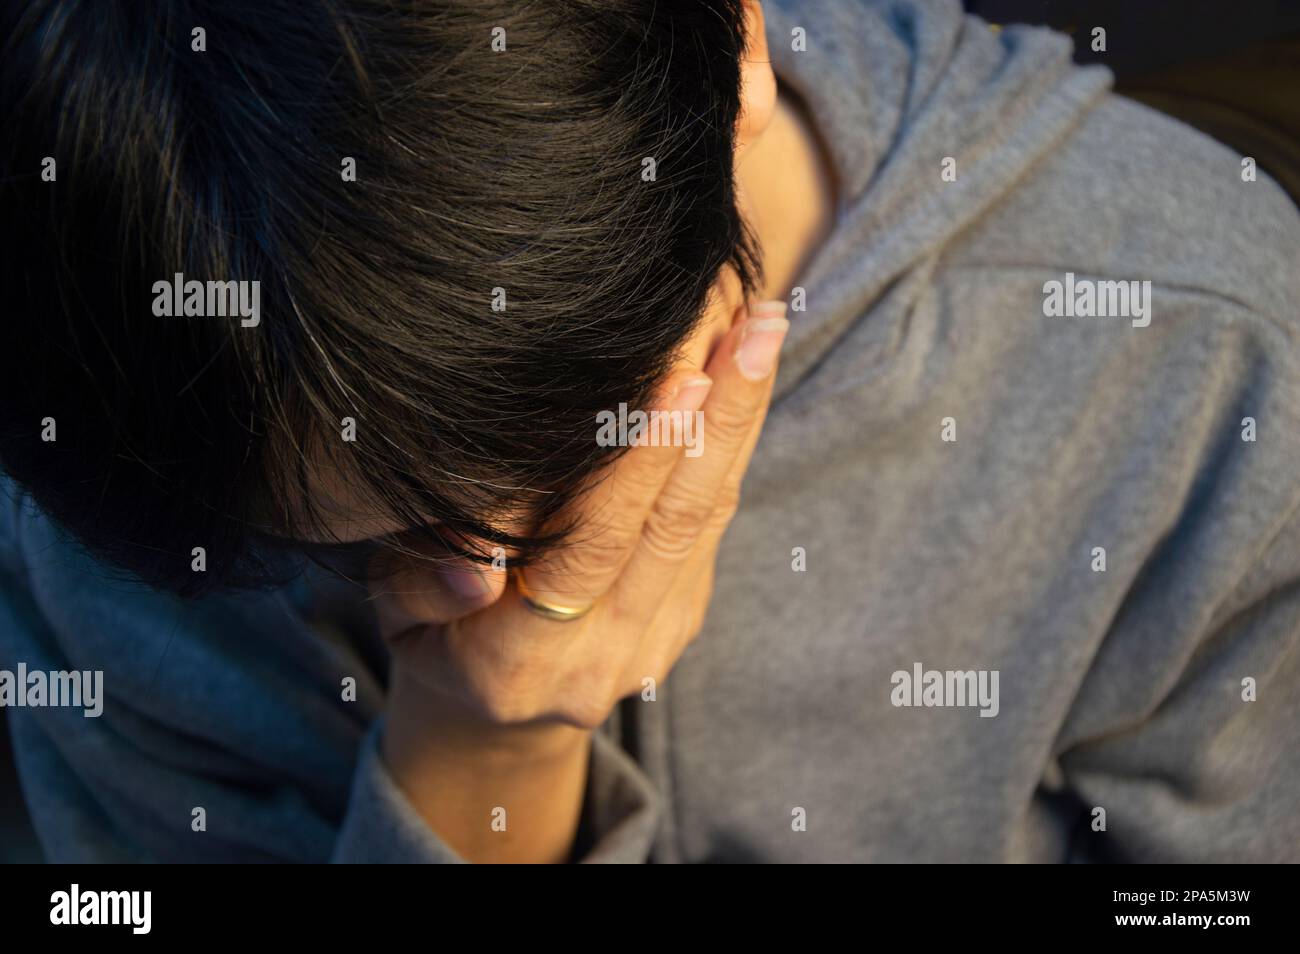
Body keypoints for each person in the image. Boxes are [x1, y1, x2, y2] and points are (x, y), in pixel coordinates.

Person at [1, 0, 1298, 863]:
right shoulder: (116, 456)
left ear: (736, 48)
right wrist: (478, 747)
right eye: (353, 549)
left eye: (561, 438)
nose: (485, 590)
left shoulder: (1207, 368)